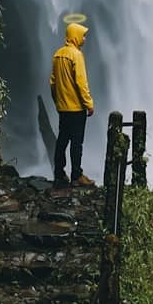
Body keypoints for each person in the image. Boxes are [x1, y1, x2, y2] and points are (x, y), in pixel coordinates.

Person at [49, 21, 95, 190]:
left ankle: (59, 174)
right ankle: (77, 176)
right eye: (82, 35)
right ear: (75, 36)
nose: (84, 38)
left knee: (62, 141)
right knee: (77, 143)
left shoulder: (58, 54)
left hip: (63, 108)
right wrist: (88, 103)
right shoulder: (76, 55)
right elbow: (81, 82)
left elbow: (52, 82)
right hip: (76, 108)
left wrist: (57, 101)